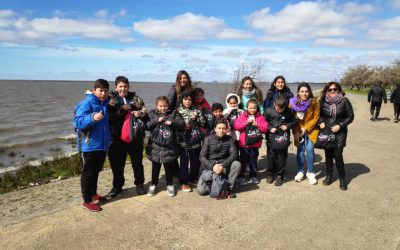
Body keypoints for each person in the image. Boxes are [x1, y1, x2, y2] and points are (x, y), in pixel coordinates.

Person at [107, 76, 148, 198]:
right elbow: (108, 117)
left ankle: (139, 184)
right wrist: (121, 110)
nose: (123, 89)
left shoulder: (136, 98)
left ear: (128, 87)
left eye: (125, 86)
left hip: (134, 137)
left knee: (137, 163)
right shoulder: (110, 99)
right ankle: (117, 187)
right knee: (117, 165)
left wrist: (140, 113)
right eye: (120, 86)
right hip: (116, 139)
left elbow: (146, 111)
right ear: (115, 87)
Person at [73, 79, 110, 212]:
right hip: (88, 145)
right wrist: (92, 117)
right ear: (94, 90)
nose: (103, 93)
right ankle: (87, 201)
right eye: (101, 91)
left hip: (102, 145)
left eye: (106, 91)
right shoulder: (87, 103)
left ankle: (94, 194)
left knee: (96, 171)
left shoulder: (104, 103)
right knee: (87, 173)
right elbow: (77, 122)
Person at [146, 96, 185, 197]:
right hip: (155, 146)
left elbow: (181, 124)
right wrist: (156, 121)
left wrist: (172, 122)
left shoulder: (174, 113)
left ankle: (169, 185)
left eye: (165, 106)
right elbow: (147, 126)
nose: (163, 108)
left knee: (169, 168)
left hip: (169, 147)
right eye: (160, 106)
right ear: (156, 106)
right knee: (155, 167)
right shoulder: (151, 113)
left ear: (168, 105)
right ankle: (153, 185)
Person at [319, 82, 354, 191]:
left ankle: (342, 179)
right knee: (328, 154)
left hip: (340, 132)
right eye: (330, 89)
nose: (332, 91)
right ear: (326, 91)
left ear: (339, 90)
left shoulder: (344, 101)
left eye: (335, 89)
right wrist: (320, 121)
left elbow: (350, 116)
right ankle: (329, 176)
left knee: (338, 154)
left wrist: (340, 125)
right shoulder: (322, 101)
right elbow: (318, 114)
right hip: (327, 131)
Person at [198, 118, 241, 198]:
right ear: (215, 128)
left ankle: (228, 188)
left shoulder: (230, 139)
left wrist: (222, 165)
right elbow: (202, 156)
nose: (221, 131)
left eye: (224, 128)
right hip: (210, 168)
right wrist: (212, 167)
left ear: (227, 129)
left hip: (224, 166)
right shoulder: (208, 139)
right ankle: (219, 185)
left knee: (237, 164)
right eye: (219, 128)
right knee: (201, 191)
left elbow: (234, 154)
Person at [289, 83, 320, 185]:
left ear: (309, 92)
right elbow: (292, 119)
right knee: (300, 150)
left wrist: (306, 128)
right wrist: (296, 132)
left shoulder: (315, 102)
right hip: (298, 130)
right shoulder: (293, 103)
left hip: (311, 130)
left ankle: (310, 172)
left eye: (306, 91)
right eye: (302, 91)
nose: (304, 93)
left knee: (310, 149)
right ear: (298, 92)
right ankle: (300, 171)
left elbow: (316, 117)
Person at [176, 90, 206, 192]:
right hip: (183, 142)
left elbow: (203, 123)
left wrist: (196, 118)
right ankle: (183, 182)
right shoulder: (178, 111)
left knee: (195, 162)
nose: (188, 101)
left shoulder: (196, 109)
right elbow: (175, 124)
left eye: (189, 99)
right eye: (185, 99)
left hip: (196, 141)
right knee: (184, 163)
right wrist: (183, 125)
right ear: (182, 100)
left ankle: (192, 178)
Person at [234, 99, 268, 185]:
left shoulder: (260, 117)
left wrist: (258, 125)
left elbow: (265, 128)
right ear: (247, 108)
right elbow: (236, 126)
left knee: (253, 160)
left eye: (254, 108)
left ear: (257, 108)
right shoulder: (242, 116)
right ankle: (241, 176)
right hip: (244, 143)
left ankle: (253, 176)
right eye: (250, 108)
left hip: (255, 143)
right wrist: (246, 123)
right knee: (243, 160)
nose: (252, 110)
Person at [264, 96, 296, 186]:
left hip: (283, 138)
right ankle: (270, 174)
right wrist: (270, 128)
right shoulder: (268, 110)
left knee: (282, 157)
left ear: (285, 107)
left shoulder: (289, 111)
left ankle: (280, 175)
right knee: (271, 157)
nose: (279, 110)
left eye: (282, 109)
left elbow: (294, 122)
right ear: (274, 104)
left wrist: (288, 126)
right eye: (277, 108)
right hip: (271, 137)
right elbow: (263, 123)